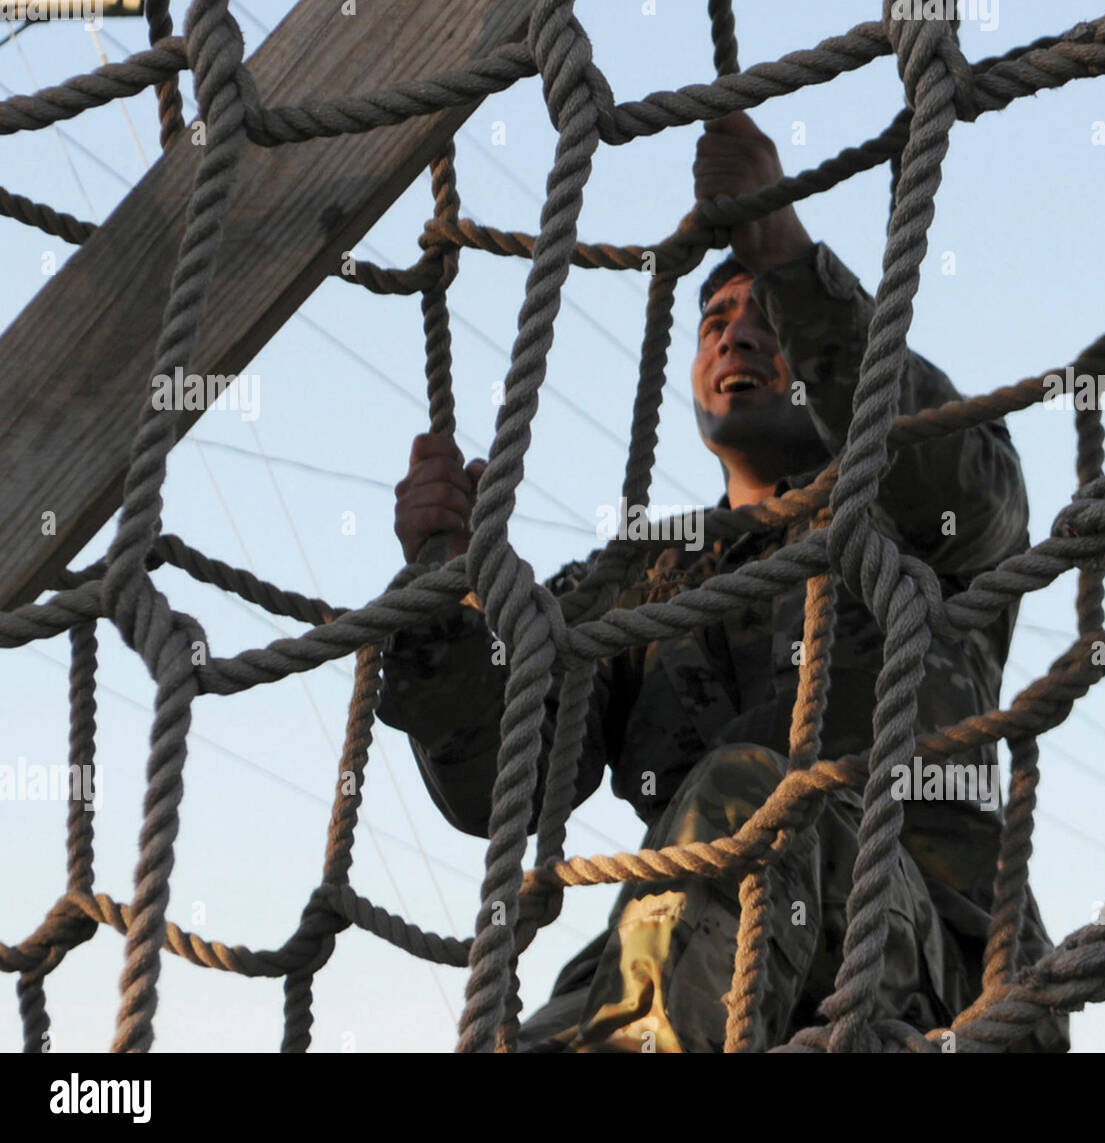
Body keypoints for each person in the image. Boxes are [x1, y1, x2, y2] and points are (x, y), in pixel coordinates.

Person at [377, 112, 1067, 1053]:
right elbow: (506, 784)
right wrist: (447, 592)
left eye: (763, 318)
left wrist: (787, 258)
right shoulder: (646, 579)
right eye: (714, 322)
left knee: (759, 795)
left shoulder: (913, 512)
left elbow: (949, 478)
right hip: (704, 960)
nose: (737, 338)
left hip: (931, 968)